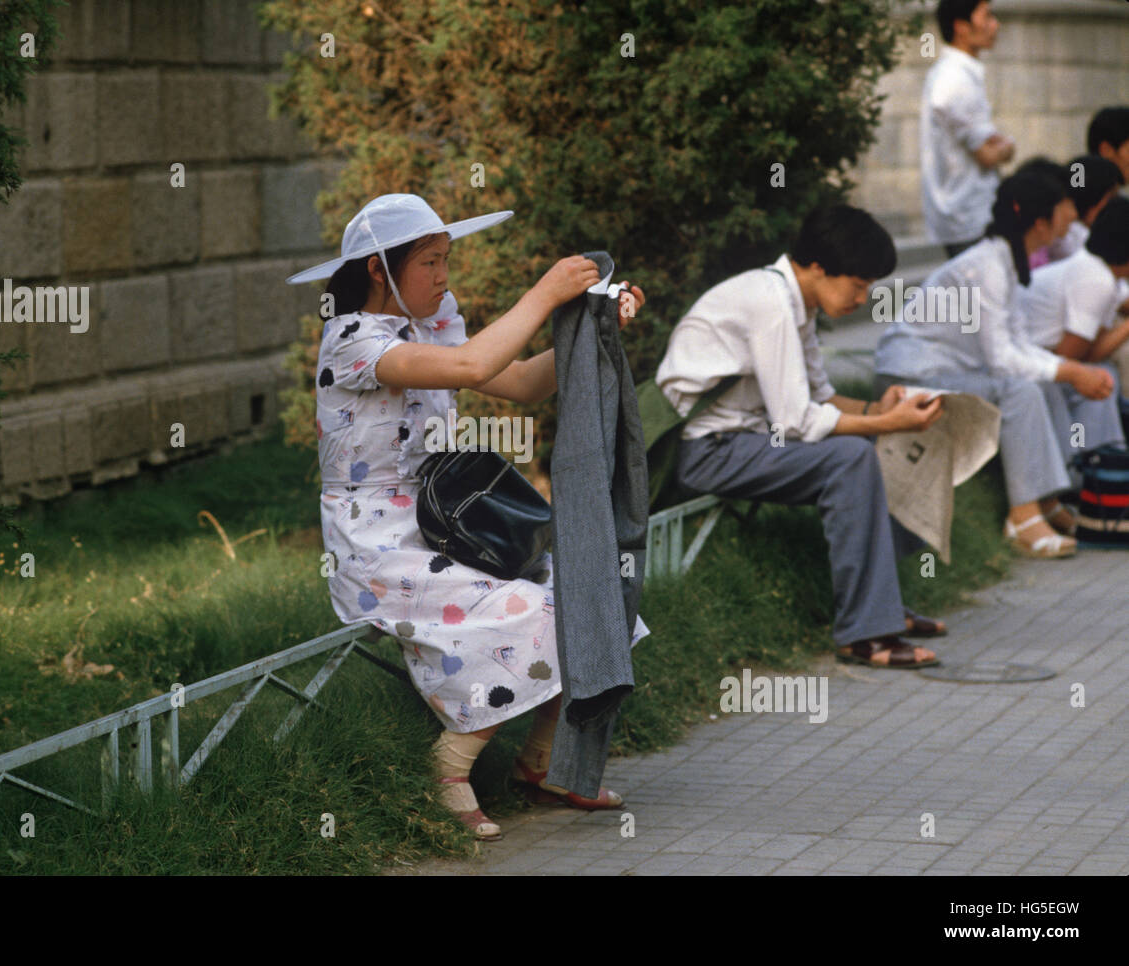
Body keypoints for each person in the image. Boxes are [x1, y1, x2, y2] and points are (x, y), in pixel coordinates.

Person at [286, 194, 648, 841]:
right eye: (429, 262)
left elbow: (521, 383)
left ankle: (544, 763)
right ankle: (448, 771)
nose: (443, 275)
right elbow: (475, 365)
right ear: (379, 270)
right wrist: (545, 293)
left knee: (589, 591)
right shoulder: (352, 340)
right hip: (375, 548)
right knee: (530, 614)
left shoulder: (432, 325)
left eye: (446, 259)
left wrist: (596, 328)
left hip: (444, 527)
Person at [656, 205, 947, 671]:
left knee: (869, 445)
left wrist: (882, 411)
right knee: (850, 457)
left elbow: (825, 399)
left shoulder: (796, 303)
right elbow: (797, 422)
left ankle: (883, 607)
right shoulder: (770, 304)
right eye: (858, 283)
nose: (863, 297)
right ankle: (865, 633)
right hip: (707, 452)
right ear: (817, 267)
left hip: (744, 442)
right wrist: (889, 423)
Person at [875, 171, 1115, 558]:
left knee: (1044, 382)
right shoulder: (986, 266)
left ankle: (1048, 500)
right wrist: (1071, 369)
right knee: (1019, 390)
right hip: (911, 377)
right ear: (1040, 221)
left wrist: (1066, 369)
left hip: (951, 370)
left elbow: (1017, 344)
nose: (1071, 216)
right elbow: (1002, 361)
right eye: (1063, 209)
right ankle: (1022, 518)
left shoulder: (1004, 259)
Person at [1018, 195, 1129, 474]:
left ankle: (1096, 465)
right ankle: (1093, 468)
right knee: (1100, 378)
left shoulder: (1098, 269)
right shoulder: (1096, 280)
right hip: (1024, 363)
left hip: (1037, 356)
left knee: (1102, 374)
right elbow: (1072, 357)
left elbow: (1087, 349)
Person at [922, 0, 1014, 259]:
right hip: (968, 216)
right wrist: (1008, 147)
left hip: (969, 213)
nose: (995, 24)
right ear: (961, 27)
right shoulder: (955, 79)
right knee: (977, 297)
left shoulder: (958, 74)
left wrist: (997, 145)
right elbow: (987, 154)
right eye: (987, 17)